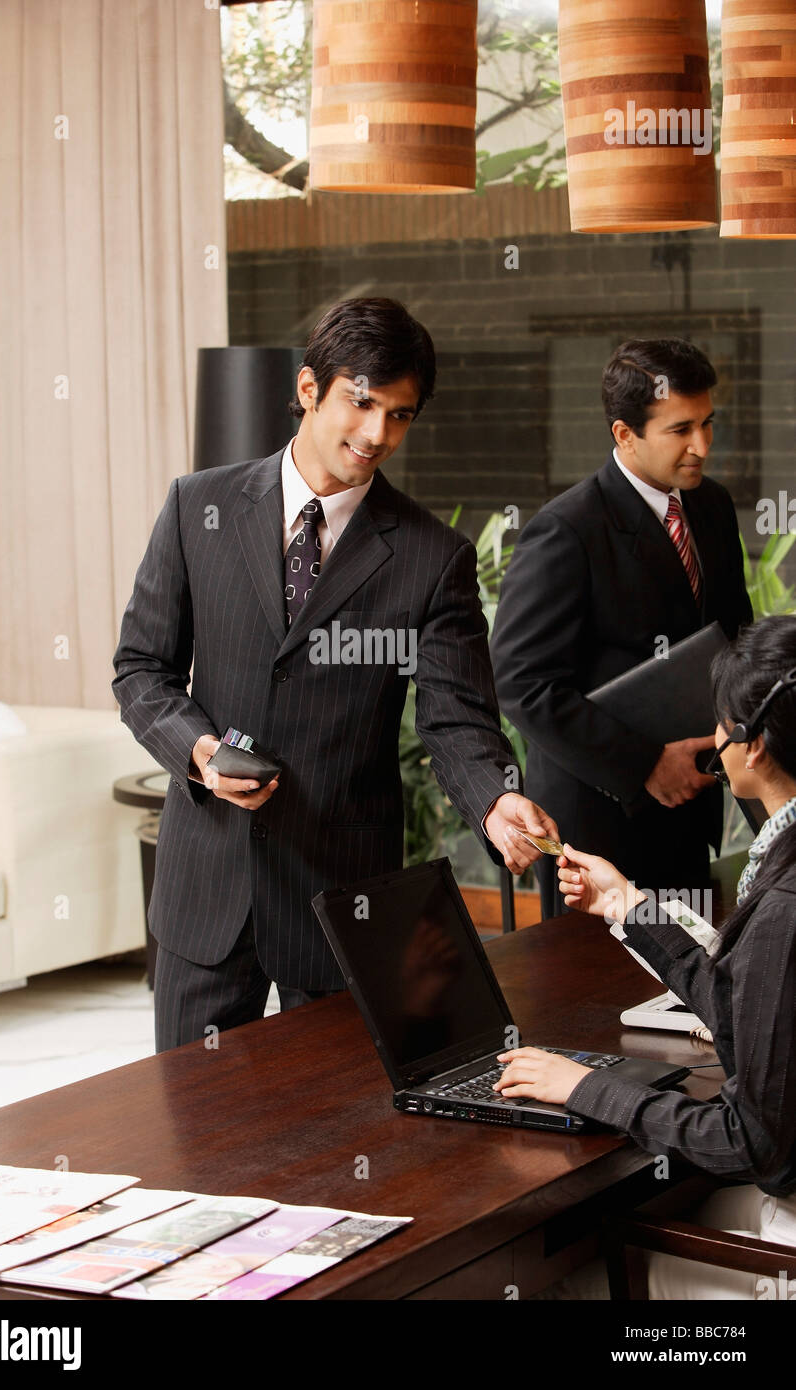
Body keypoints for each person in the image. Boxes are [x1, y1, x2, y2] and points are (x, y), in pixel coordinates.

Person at [112, 297, 558, 1053]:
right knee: (190, 1117)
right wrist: (200, 752)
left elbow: (456, 720)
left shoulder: (432, 556)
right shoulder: (197, 507)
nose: (378, 433)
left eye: (400, 415)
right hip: (207, 889)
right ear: (310, 388)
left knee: (334, 1118)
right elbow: (141, 669)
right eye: (362, 402)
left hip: (341, 897)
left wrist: (494, 800)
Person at [494, 616, 796, 1299]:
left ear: (755, 746)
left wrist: (586, 1089)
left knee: (561, 1284)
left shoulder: (783, 904)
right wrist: (627, 905)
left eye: (721, 724)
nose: (713, 739)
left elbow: (750, 1143)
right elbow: (751, 1011)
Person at [490, 339, 753, 919]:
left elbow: (735, 636)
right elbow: (523, 685)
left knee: (691, 970)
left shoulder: (711, 506)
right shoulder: (566, 529)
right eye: (681, 429)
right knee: (593, 981)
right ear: (624, 434)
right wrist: (646, 766)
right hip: (601, 824)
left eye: (708, 423)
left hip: (693, 804)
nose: (702, 445)